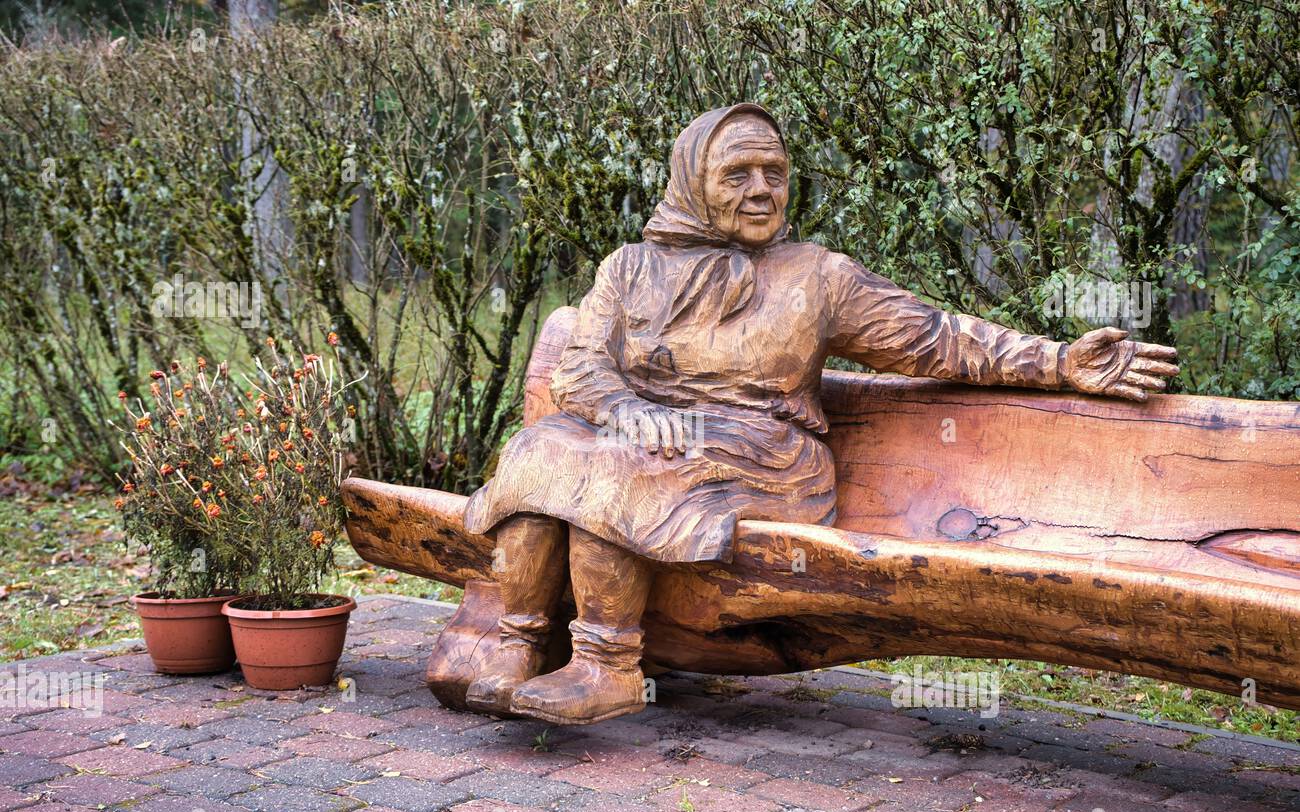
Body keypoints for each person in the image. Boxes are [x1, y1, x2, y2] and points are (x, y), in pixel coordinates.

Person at [461, 103, 1180, 724]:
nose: (761, 189)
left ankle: (608, 667)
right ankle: (519, 643)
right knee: (543, 449)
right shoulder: (628, 269)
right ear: (692, 182)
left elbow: (935, 338)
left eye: (774, 172)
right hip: (652, 441)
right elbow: (582, 366)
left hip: (769, 457)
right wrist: (623, 408)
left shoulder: (815, 276)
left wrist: (1057, 363)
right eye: (737, 175)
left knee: (618, 465)